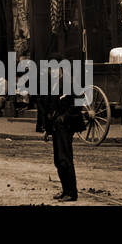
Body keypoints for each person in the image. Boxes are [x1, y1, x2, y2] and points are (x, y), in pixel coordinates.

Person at [35, 57, 82, 202]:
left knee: (65, 159)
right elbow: (50, 108)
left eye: (56, 69)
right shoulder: (54, 86)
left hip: (66, 126)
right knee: (58, 160)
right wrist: (47, 130)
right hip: (56, 127)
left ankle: (71, 193)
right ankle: (65, 190)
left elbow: (78, 103)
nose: (54, 72)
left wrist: (65, 117)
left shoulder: (71, 83)